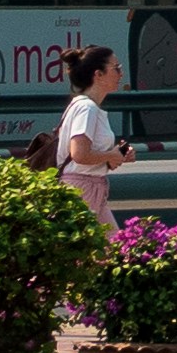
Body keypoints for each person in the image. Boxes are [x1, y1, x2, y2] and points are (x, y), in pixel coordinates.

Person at [54, 45, 128, 226]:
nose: (121, 74)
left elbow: (87, 156)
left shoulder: (87, 107)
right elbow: (80, 155)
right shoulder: (86, 108)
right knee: (101, 249)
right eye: (116, 68)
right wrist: (112, 155)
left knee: (112, 248)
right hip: (82, 192)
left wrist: (116, 156)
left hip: (92, 189)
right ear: (98, 75)